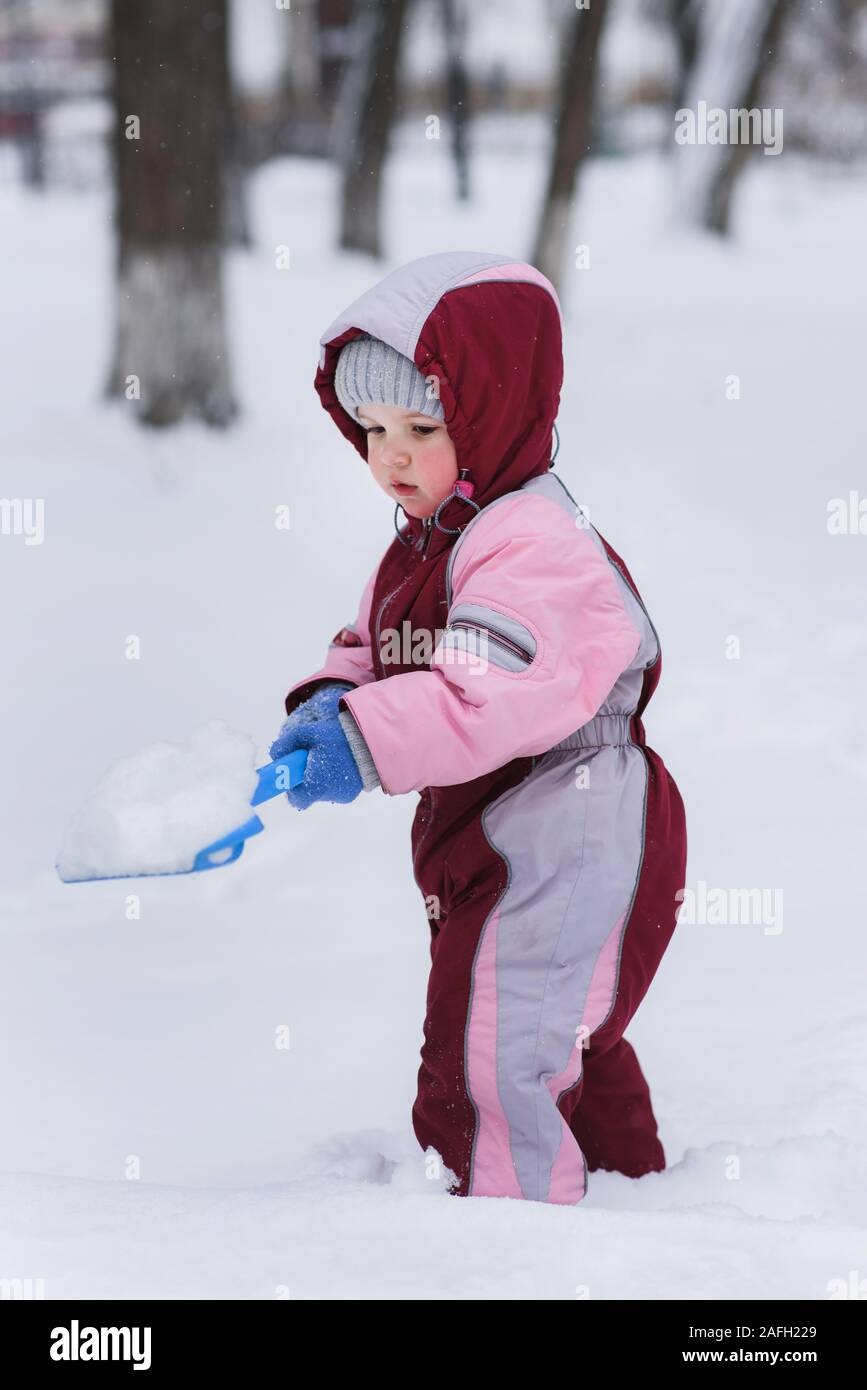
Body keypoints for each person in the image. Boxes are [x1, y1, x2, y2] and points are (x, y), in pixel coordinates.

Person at [271, 251, 688, 1204]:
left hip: (568, 822)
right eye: (371, 430)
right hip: (497, 823)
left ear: (495, 416)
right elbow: (378, 644)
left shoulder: (529, 542)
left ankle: (502, 1239)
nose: (392, 458)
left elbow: (485, 691)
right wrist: (332, 699)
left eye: (422, 427)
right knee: (544, 1023)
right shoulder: (431, 538)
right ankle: (639, 1197)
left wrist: (366, 743)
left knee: (489, 1048)